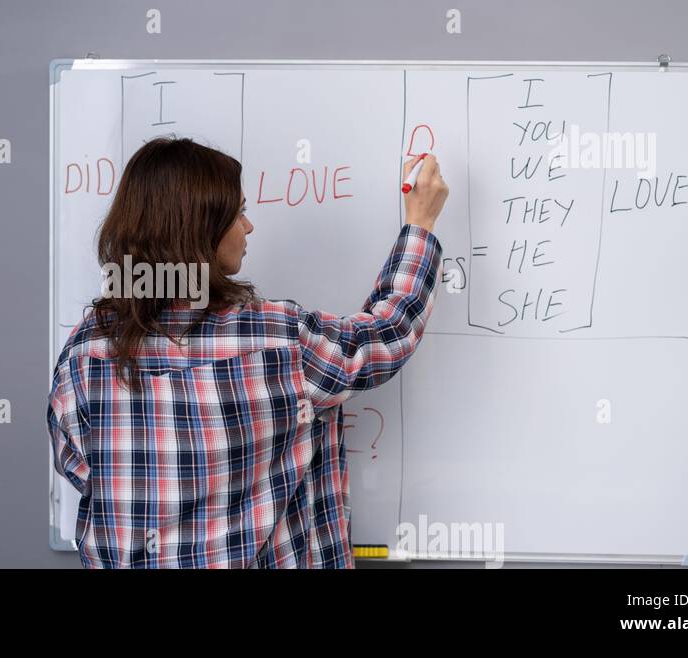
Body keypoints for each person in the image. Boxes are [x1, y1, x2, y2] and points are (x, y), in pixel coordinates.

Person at [47, 136, 448, 568]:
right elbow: (388, 333)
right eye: (238, 212)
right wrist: (420, 224)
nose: (248, 226)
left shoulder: (83, 356)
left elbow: (81, 468)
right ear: (199, 230)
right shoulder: (275, 341)